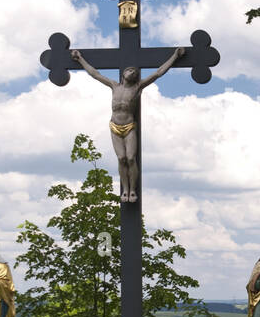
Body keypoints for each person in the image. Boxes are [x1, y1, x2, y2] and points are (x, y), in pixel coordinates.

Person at [71, 46, 185, 202]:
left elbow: (158, 73)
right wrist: (80, 58)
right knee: (121, 158)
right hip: (114, 126)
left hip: (129, 126)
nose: (133, 72)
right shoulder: (114, 86)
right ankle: (125, 190)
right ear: (123, 74)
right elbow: (95, 74)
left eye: (135, 72)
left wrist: (175, 56)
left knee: (131, 158)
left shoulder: (138, 87)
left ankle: (133, 190)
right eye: (130, 70)